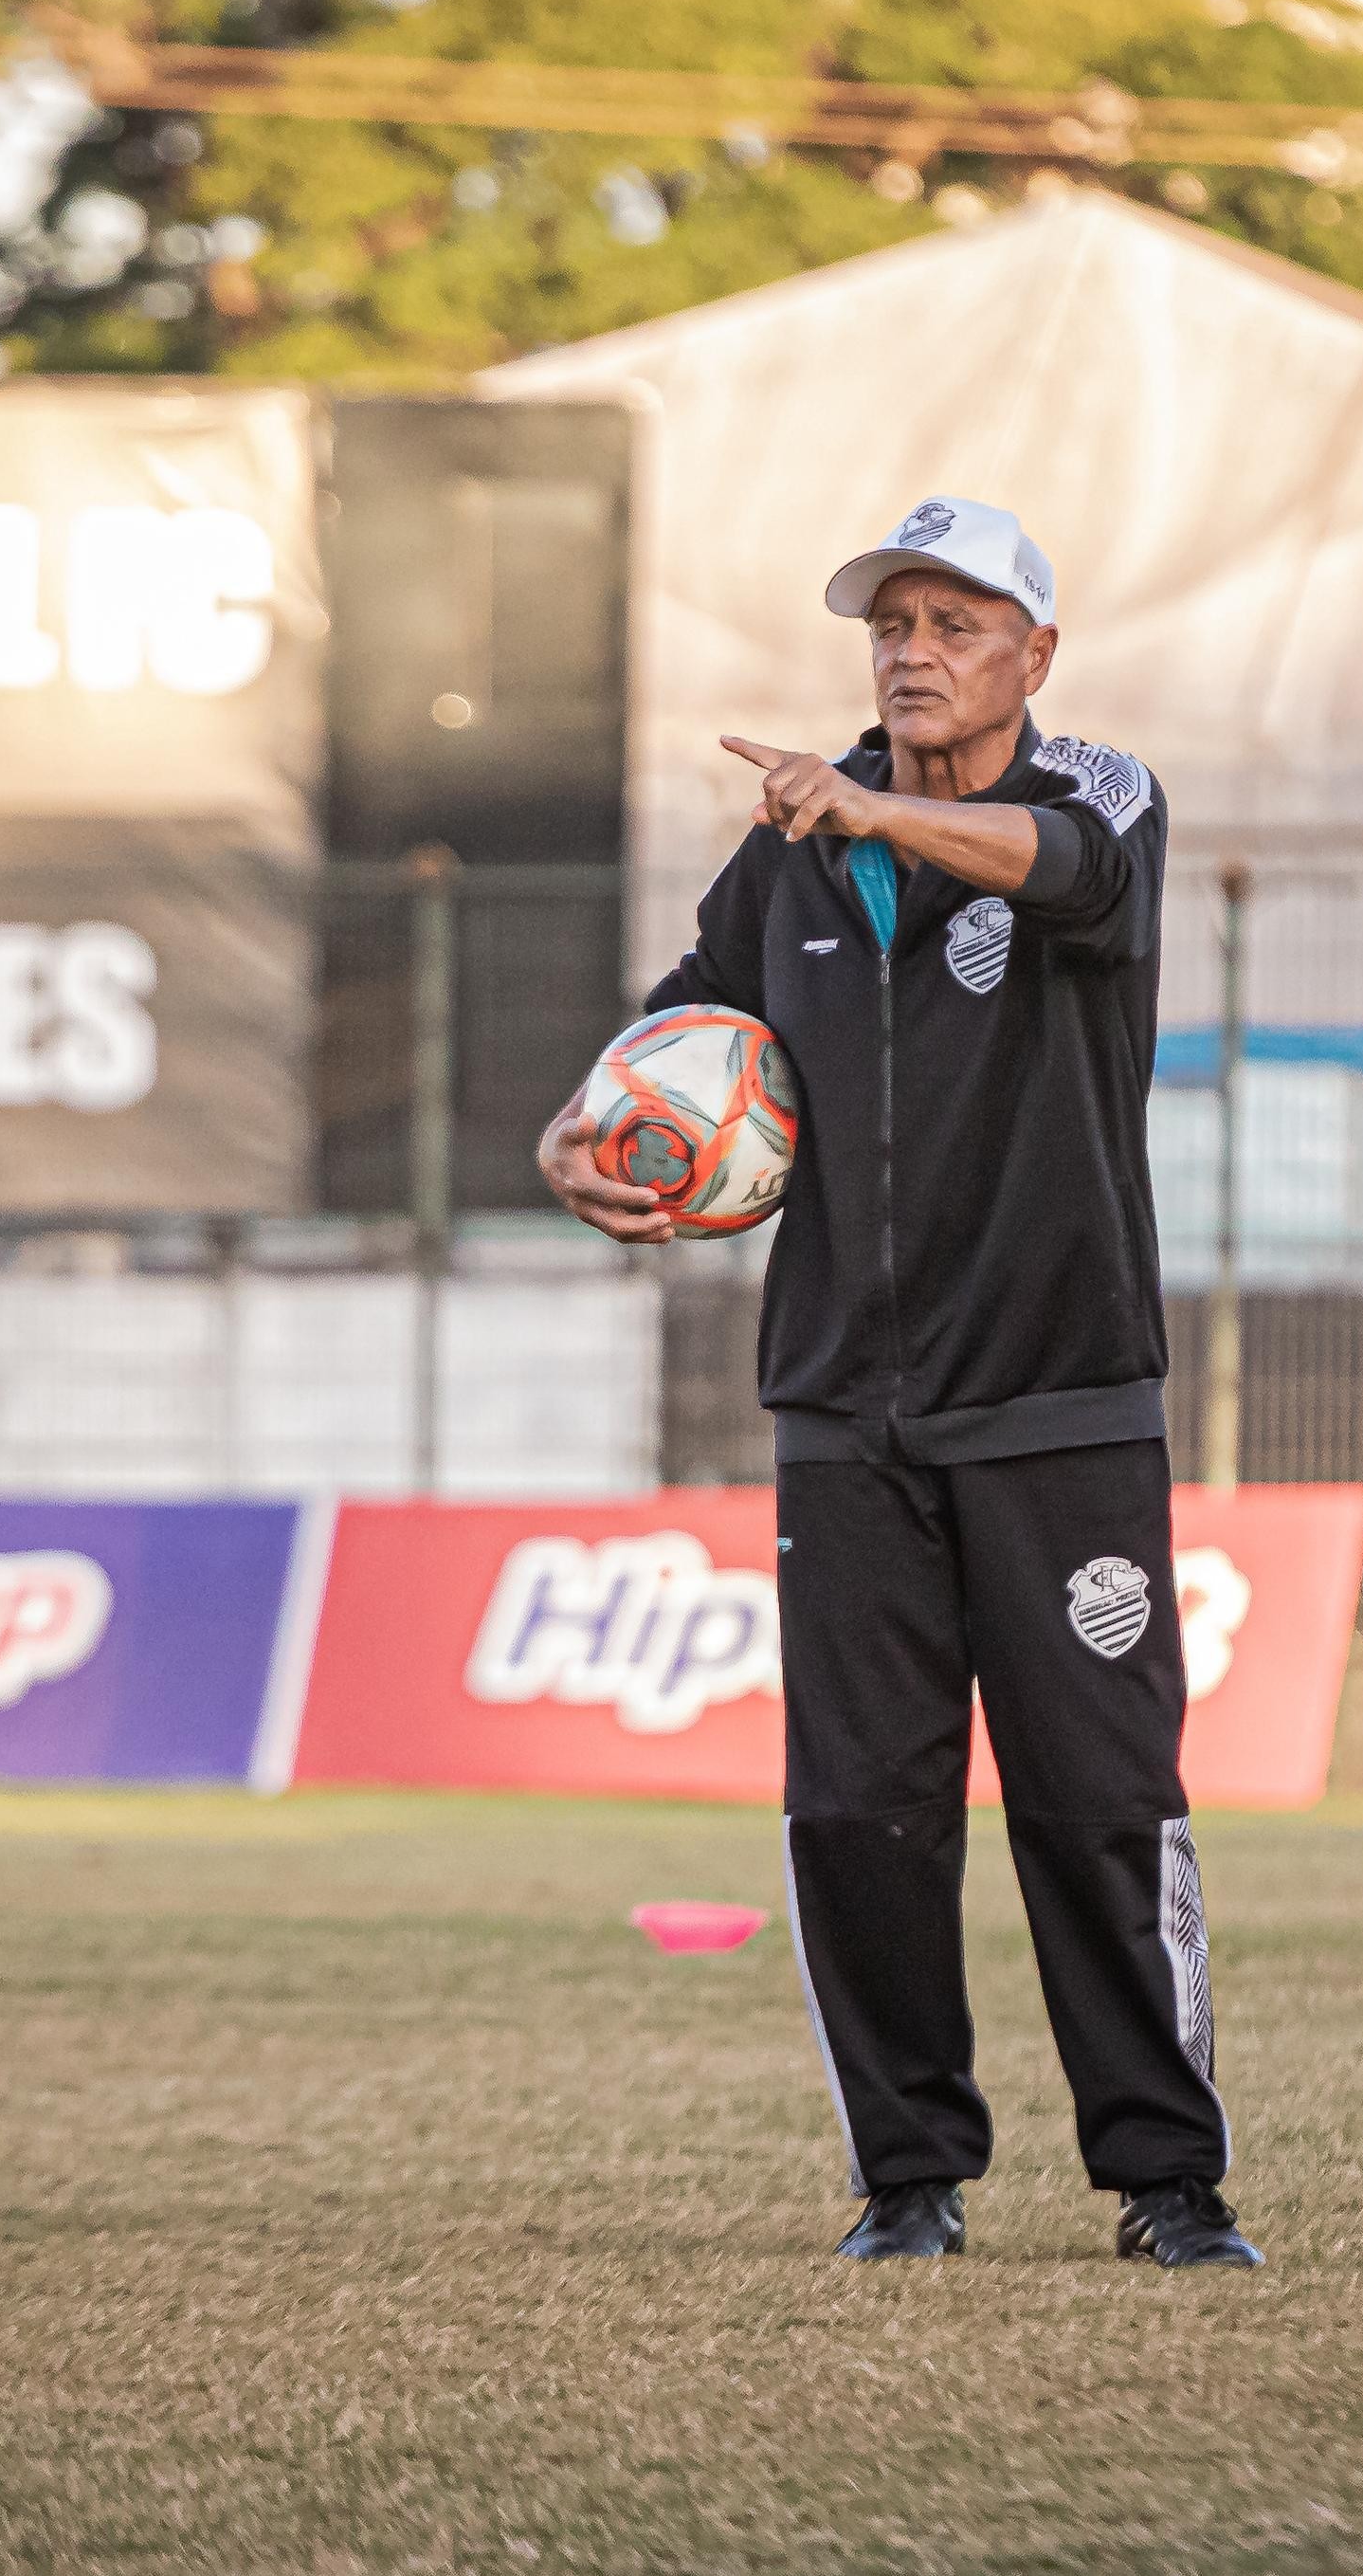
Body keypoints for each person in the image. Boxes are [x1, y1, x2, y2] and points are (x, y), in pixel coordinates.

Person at [537, 496, 1256, 2270]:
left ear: (1037, 654)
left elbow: (1073, 877)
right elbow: (668, 1039)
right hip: (845, 1412)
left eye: (956, 619)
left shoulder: (1104, 796)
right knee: (861, 1801)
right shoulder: (783, 856)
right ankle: (909, 2174)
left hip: (1062, 1401)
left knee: (1101, 1798)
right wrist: (574, 1136)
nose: (915, 648)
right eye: (892, 622)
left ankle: (1169, 2182)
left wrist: (875, 803)